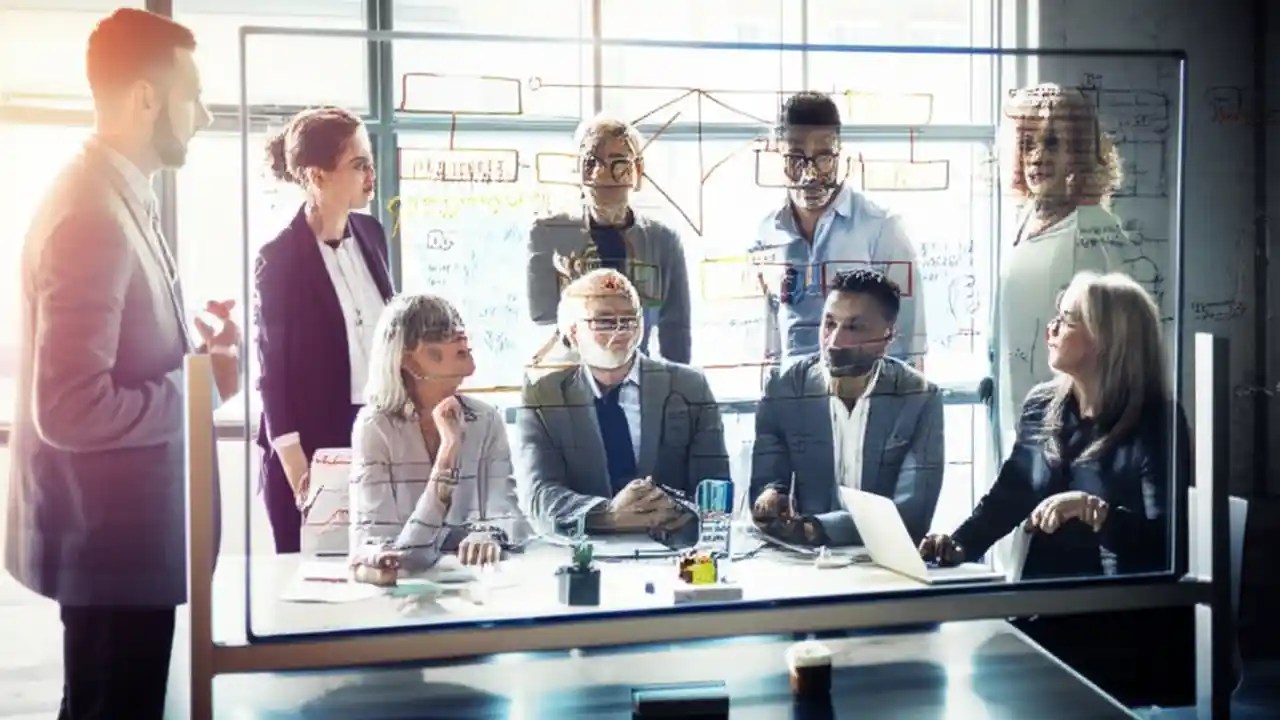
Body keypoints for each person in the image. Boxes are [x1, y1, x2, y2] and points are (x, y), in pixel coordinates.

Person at [4, 9, 231, 719]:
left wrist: (187, 343)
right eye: (192, 93)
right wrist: (202, 388)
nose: (205, 114)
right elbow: (70, 406)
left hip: (121, 552)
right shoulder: (91, 213)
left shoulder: (110, 192)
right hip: (113, 553)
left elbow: (113, 347)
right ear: (145, 98)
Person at [920, 271, 1191, 706]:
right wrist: (956, 544)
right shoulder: (1043, 405)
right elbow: (1009, 496)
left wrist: (1093, 511)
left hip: (1120, 624)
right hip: (1044, 608)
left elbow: (1169, 545)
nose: (1051, 329)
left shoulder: (1157, 422)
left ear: (1106, 340)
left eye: (1066, 320)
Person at [255, 106, 394, 554]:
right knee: (312, 590)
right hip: (310, 447)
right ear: (316, 176)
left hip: (372, 433)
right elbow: (270, 374)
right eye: (359, 164)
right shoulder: (278, 260)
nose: (371, 174)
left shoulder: (372, 234)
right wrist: (297, 466)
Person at [517, 269, 729, 535]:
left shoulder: (690, 386)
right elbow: (538, 494)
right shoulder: (543, 395)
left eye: (630, 320)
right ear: (573, 331)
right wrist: (607, 515)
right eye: (604, 322)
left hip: (673, 548)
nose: (620, 331)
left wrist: (677, 510)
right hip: (582, 550)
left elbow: (715, 483)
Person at [750, 269, 944, 546]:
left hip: (884, 563)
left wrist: (816, 528)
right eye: (829, 324)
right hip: (802, 562)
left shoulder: (919, 398)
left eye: (854, 327)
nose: (835, 342)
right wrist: (769, 497)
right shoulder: (783, 390)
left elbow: (911, 516)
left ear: (888, 336)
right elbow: (766, 481)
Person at [347, 295, 530, 583]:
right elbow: (394, 551)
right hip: (404, 597)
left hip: (474, 588)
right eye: (439, 332)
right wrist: (448, 452)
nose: (459, 336)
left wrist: (489, 534)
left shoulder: (485, 419)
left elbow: (509, 518)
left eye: (457, 325)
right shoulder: (375, 427)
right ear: (408, 360)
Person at [750, 91, 927, 373]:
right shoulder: (767, 233)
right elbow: (773, 338)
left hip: (866, 399)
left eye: (823, 158)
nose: (809, 173)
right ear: (779, 153)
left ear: (838, 153)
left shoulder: (882, 228)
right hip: (794, 401)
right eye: (796, 157)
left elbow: (910, 340)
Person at [994, 83, 1128, 451]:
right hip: (1018, 409)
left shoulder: (1095, 227)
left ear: (1079, 152)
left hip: (1074, 424)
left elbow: (1118, 342)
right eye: (1028, 144)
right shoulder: (1021, 220)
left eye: (1052, 143)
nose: (1036, 157)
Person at [526, 114, 692, 369]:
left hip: (639, 378)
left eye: (619, 163)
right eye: (591, 163)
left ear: (638, 171)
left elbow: (676, 331)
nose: (602, 174)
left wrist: (676, 392)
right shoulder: (549, 232)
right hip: (571, 376)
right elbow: (541, 315)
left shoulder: (663, 240)